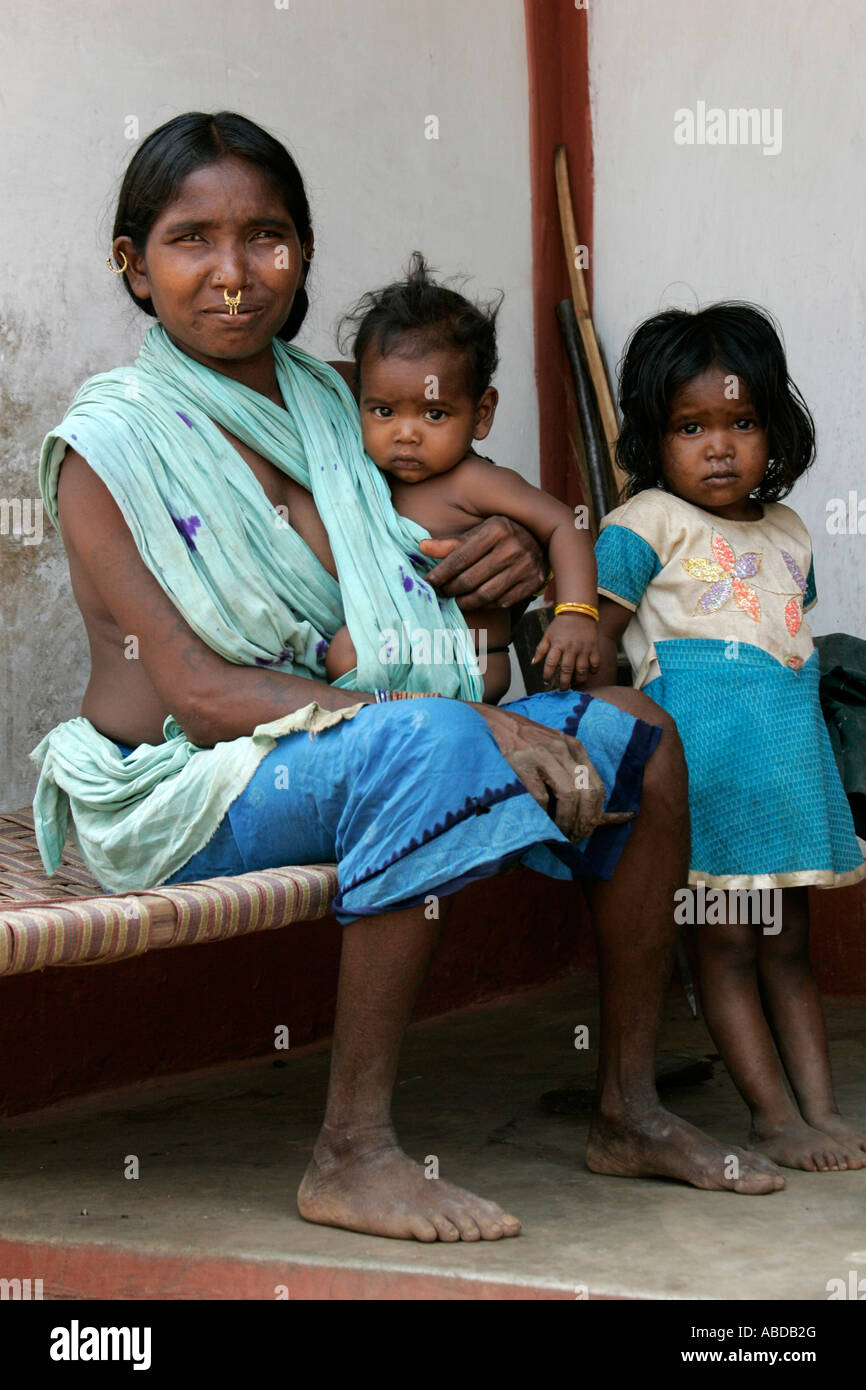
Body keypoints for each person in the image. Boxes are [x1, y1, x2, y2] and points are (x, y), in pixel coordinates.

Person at [32, 113, 785, 1246]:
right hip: (189, 786)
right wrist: (462, 721)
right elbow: (196, 688)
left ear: (304, 251)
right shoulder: (109, 443)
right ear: (132, 264)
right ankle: (351, 1155)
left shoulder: (348, 402)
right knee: (429, 740)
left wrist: (521, 558)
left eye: (267, 237)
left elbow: (468, 531)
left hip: (361, 736)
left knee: (635, 731)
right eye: (192, 240)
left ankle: (626, 1108)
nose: (233, 274)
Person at [593, 303, 866, 1172]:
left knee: (789, 945)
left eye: (741, 421)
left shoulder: (787, 533)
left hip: (783, 783)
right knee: (724, 941)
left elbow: (785, 647)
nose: (719, 446)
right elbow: (595, 642)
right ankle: (772, 1117)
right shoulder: (642, 527)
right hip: (702, 789)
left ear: (775, 425)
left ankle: (820, 1110)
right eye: (691, 426)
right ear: (651, 437)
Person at [324, 253, 599, 702]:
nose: (406, 433)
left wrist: (576, 612)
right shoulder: (359, 474)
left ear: (481, 413)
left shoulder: (473, 481)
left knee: (351, 655)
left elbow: (565, 523)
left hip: (470, 655)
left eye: (434, 413)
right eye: (384, 411)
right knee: (344, 653)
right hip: (396, 654)